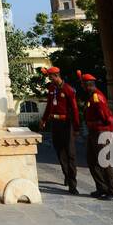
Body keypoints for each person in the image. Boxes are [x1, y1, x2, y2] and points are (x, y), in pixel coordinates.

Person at [37, 67, 81, 195]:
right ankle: (66, 175)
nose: (49, 79)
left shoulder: (68, 89)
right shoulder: (51, 89)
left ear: (57, 75)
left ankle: (73, 184)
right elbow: (49, 105)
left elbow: (74, 109)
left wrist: (76, 127)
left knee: (70, 154)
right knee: (60, 152)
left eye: (51, 77)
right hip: (55, 124)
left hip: (66, 124)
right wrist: (43, 119)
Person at [78, 72, 113, 200]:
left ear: (87, 85)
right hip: (94, 133)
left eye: (82, 84)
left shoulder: (97, 97)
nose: (81, 86)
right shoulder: (91, 97)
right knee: (92, 161)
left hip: (101, 133)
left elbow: (108, 118)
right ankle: (102, 188)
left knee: (105, 162)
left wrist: (109, 133)